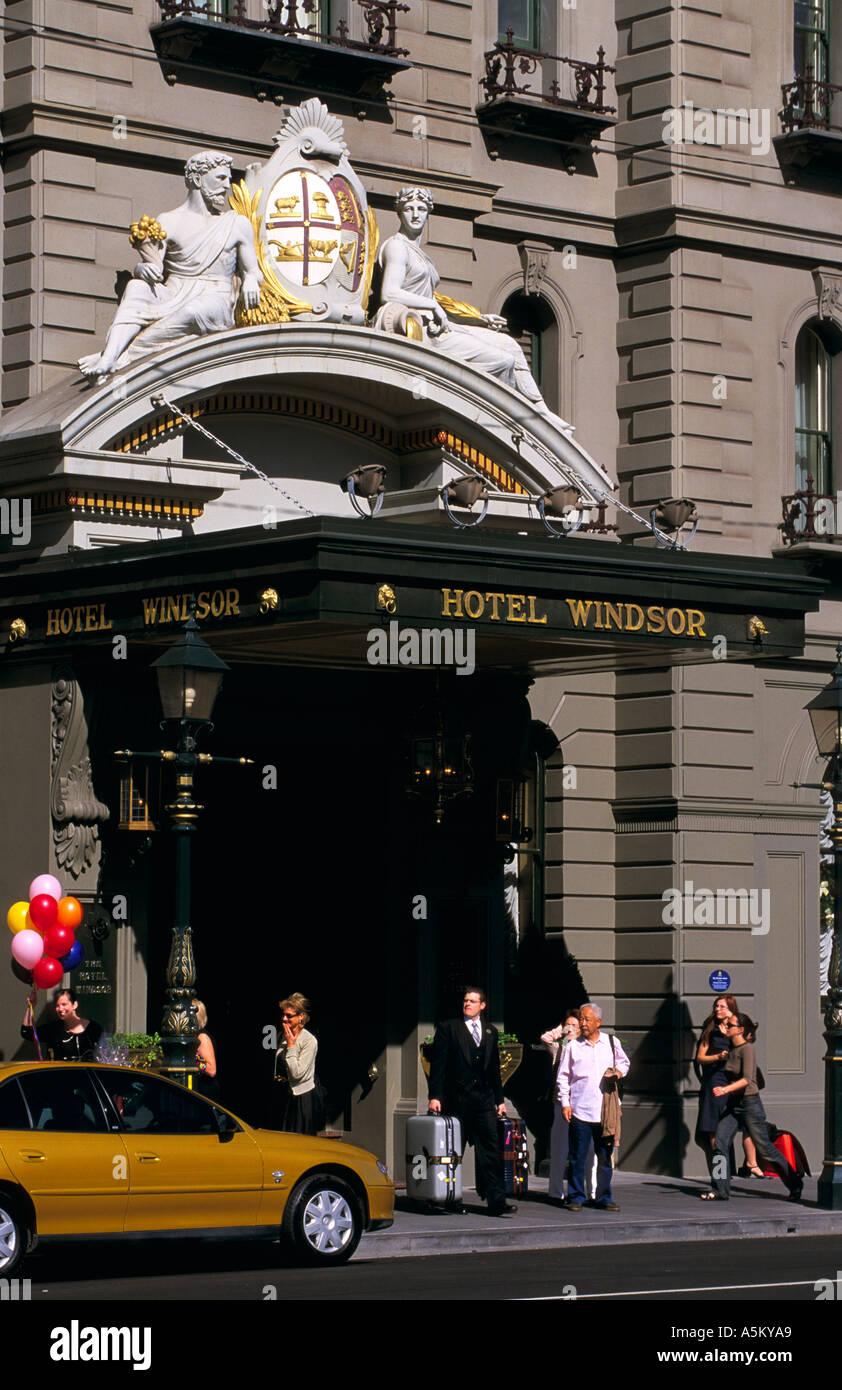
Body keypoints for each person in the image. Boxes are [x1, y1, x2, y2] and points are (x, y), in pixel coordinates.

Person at [376, 186, 572, 427]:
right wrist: (431, 305)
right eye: (409, 209)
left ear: (428, 213)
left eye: (421, 209)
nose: (415, 215)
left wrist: (480, 320)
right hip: (425, 331)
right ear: (399, 213)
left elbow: (435, 300)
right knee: (503, 361)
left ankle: (541, 413)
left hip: (441, 325)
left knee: (511, 345)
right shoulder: (397, 247)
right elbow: (389, 292)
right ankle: (506, 421)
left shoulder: (418, 252)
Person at [78, 150, 262, 379]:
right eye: (220, 178)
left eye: (228, 179)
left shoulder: (236, 223)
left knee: (193, 310)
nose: (227, 186)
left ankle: (124, 356)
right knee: (137, 288)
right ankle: (109, 356)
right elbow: (153, 265)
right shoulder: (169, 221)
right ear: (197, 179)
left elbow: (253, 270)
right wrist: (142, 270)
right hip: (176, 290)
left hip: (216, 295)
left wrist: (252, 279)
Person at [428, 986, 515, 1217]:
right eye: (465, 1001)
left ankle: (496, 1201)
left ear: (482, 1005)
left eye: (473, 1001)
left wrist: (500, 1100)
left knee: (491, 1151)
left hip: (484, 1101)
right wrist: (435, 1096)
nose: (467, 1004)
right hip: (457, 1100)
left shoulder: (490, 1032)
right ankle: (450, 1198)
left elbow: (494, 1070)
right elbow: (438, 1065)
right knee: (453, 1153)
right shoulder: (449, 1028)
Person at [702, 1013, 802, 1203]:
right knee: (720, 1143)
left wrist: (725, 1089)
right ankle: (720, 1189)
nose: (726, 1026)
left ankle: (795, 1183)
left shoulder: (748, 1049)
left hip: (749, 1103)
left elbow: (748, 1079)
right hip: (733, 1105)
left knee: (764, 1148)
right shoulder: (732, 1046)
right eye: (725, 1024)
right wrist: (724, 1036)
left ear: (740, 1029)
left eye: (730, 1025)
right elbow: (727, 1052)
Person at [558, 1002, 630, 1212]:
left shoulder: (610, 1042)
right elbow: (563, 1077)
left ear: (598, 1022)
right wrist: (565, 1103)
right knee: (577, 1158)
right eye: (581, 1019)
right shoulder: (572, 1046)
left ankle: (604, 1197)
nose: (582, 1023)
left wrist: (617, 1072)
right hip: (580, 1110)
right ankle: (576, 1197)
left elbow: (625, 1063)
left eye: (587, 1019)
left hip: (605, 1112)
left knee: (605, 1158)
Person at [696, 994, 762, 1177]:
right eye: (716, 1006)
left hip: (735, 1083)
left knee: (749, 1123)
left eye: (722, 1006)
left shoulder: (738, 1030)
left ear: (732, 1009)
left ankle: (752, 1162)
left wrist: (731, 1037)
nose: (718, 1009)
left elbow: (747, 1049)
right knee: (713, 1128)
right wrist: (717, 1057)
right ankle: (720, 1174)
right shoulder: (711, 1029)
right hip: (716, 1080)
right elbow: (700, 1057)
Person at [542, 1009, 595, 1205]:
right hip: (561, 1104)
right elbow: (545, 1038)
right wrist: (560, 1031)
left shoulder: (588, 1047)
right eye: (568, 1024)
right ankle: (556, 1192)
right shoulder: (561, 1047)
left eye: (575, 1025)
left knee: (590, 1150)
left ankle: (592, 1192)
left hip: (584, 1104)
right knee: (559, 1149)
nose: (571, 1028)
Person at [274, 993, 322, 1134]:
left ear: (301, 1016)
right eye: (284, 1015)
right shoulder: (283, 1035)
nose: (284, 1019)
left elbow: (297, 1073)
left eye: (289, 1016)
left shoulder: (309, 1041)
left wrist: (291, 1046)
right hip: (284, 1096)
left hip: (301, 1099)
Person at [21, 987, 103, 1062]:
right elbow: (26, 1032)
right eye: (57, 1005)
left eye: (64, 1004)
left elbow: (104, 1055)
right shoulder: (54, 1029)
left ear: (75, 1005)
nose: (60, 1009)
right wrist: (31, 1006)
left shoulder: (94, 1028)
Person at [191, 999, 220, 1102]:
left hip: (206, 1093)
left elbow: (212, 1070)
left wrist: (192, 1057)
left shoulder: (202, 1037)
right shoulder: (195, 1036)